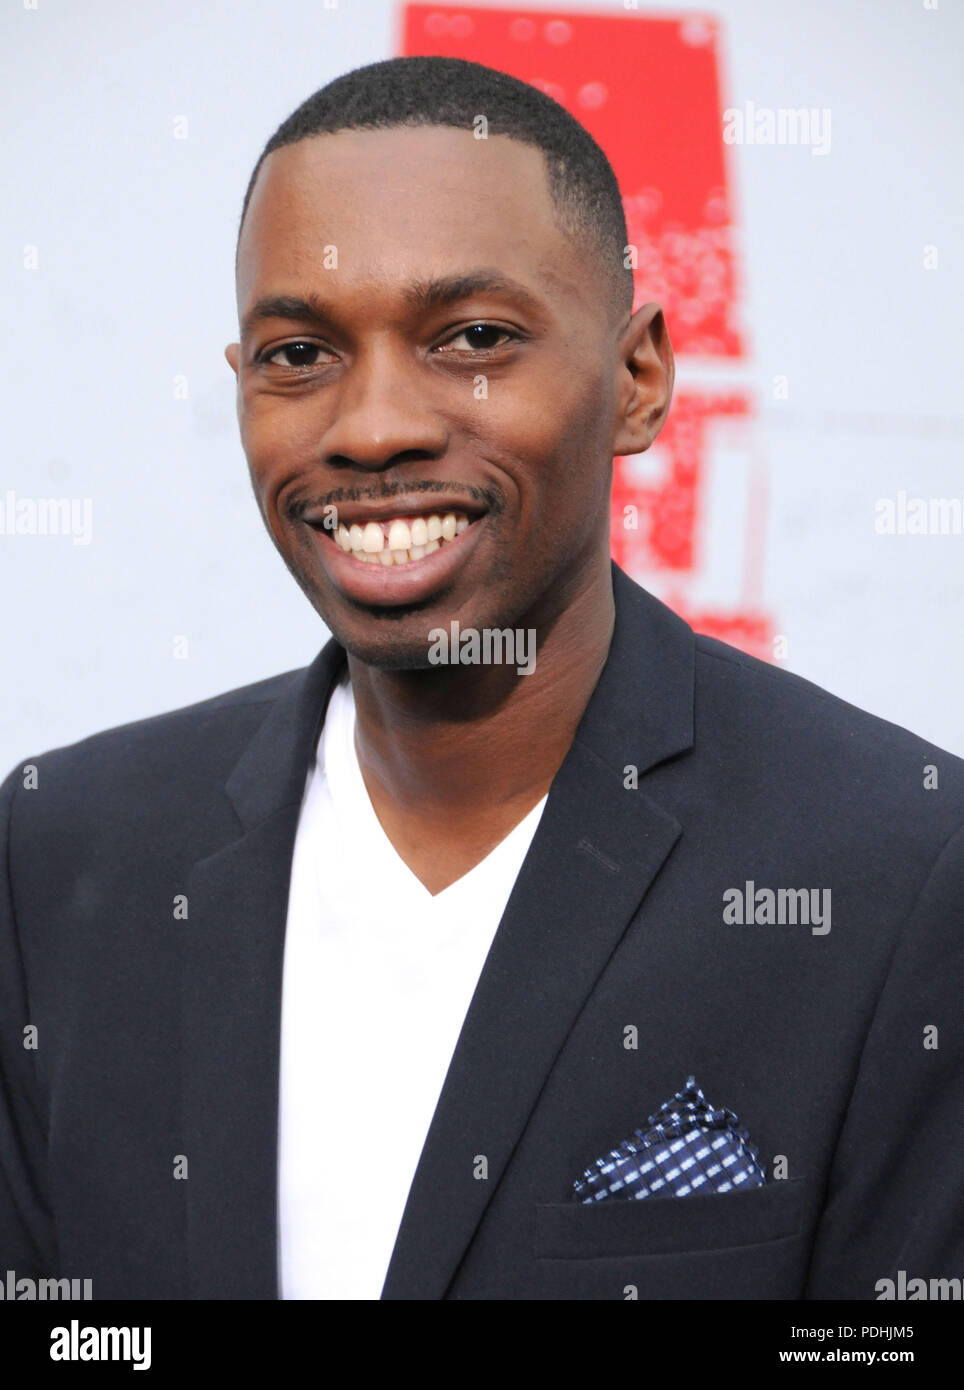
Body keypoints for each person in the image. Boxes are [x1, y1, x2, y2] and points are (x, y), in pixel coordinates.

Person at [1, 56, 961, 1302]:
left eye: (473, 338)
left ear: (636, 379)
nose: (374, 425)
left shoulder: (897, 865)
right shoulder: (62, 854)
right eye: (300, 352)